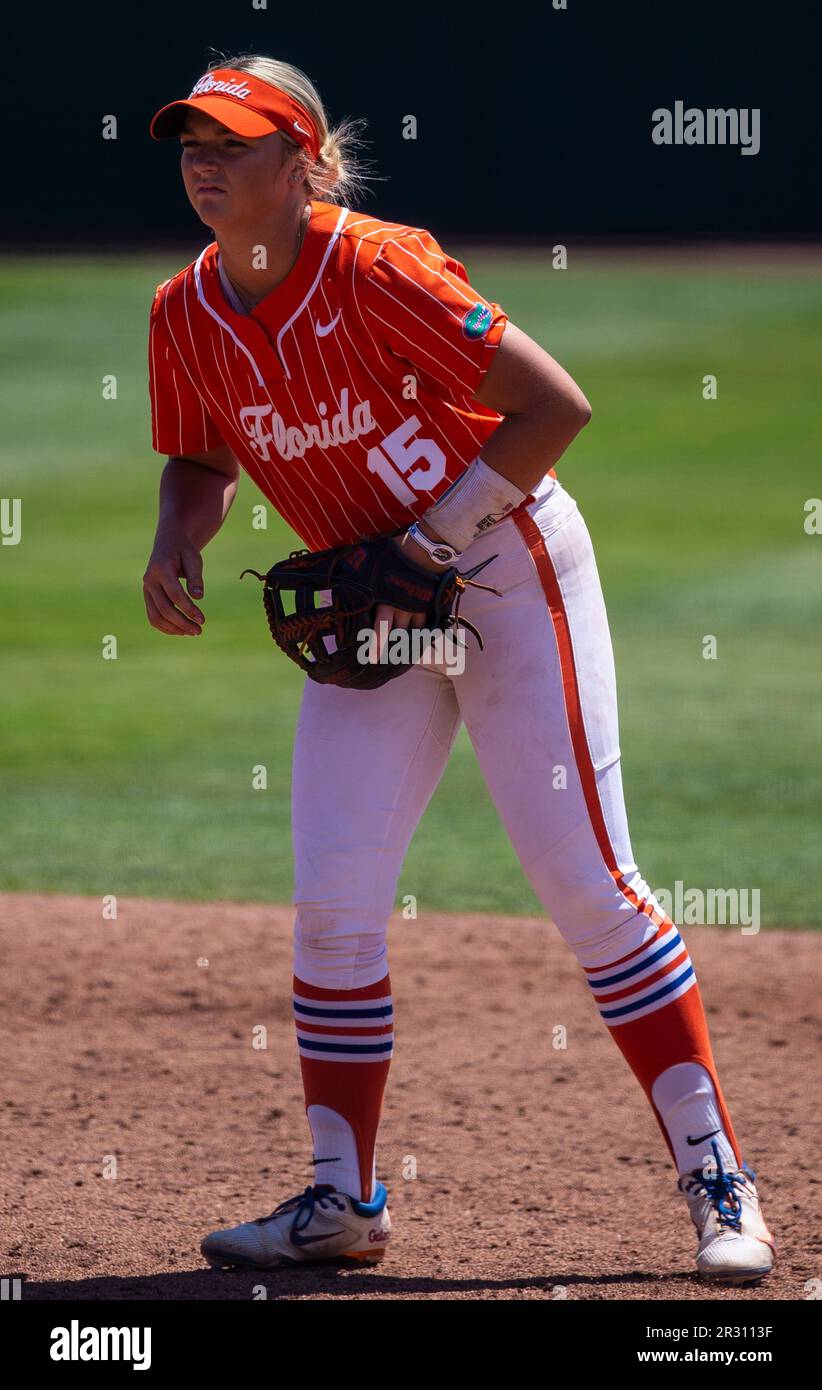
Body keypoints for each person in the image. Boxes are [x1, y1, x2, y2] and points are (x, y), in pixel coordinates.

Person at [144, 53, 774, 1283]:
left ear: (303, 160)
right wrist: (176, 534)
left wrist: (426, 543)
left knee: (590, 884)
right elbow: (201, 462)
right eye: (188, 142)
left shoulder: (378, 268)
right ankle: (342, 1199)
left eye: (232, 139)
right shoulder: (182, 312)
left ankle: (719, 1181)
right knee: (332, 903)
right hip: (373, 607)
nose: (204, 161)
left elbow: (555, 407)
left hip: (502, 565)